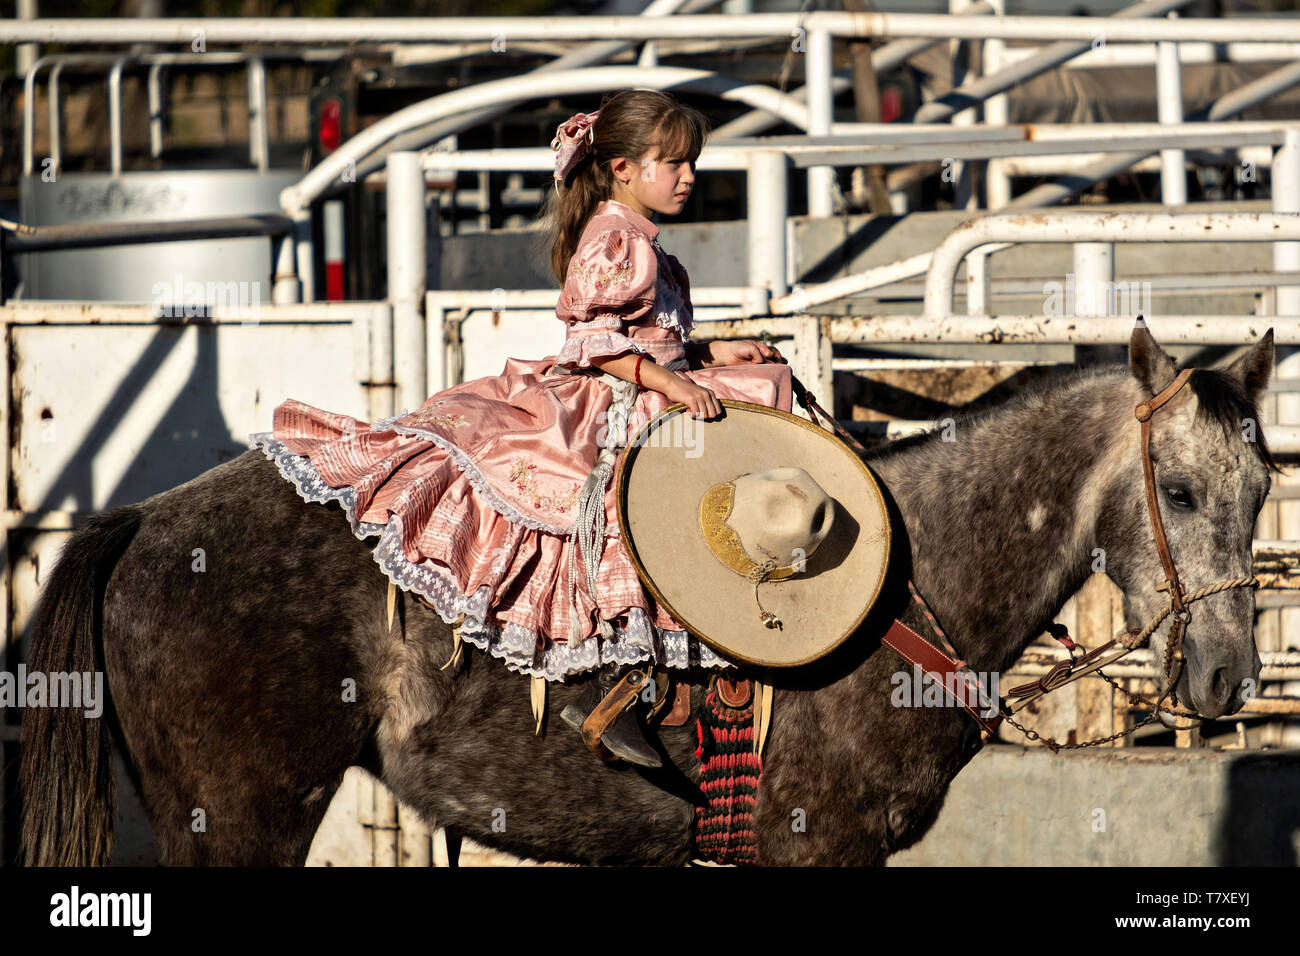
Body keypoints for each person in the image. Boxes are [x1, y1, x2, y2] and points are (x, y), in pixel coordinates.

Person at [249, 88, 793, 767]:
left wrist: (711, 353)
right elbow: (591, 341)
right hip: (613, 401)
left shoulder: (646, 245)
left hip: (643, 383)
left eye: (691, 164)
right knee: (631, 512)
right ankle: (629, 683)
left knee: (758, 391)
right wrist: (671, 383)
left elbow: (653, 338)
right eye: (671, 164)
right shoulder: (618, 240)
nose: (687, 178)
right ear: (622, 168)